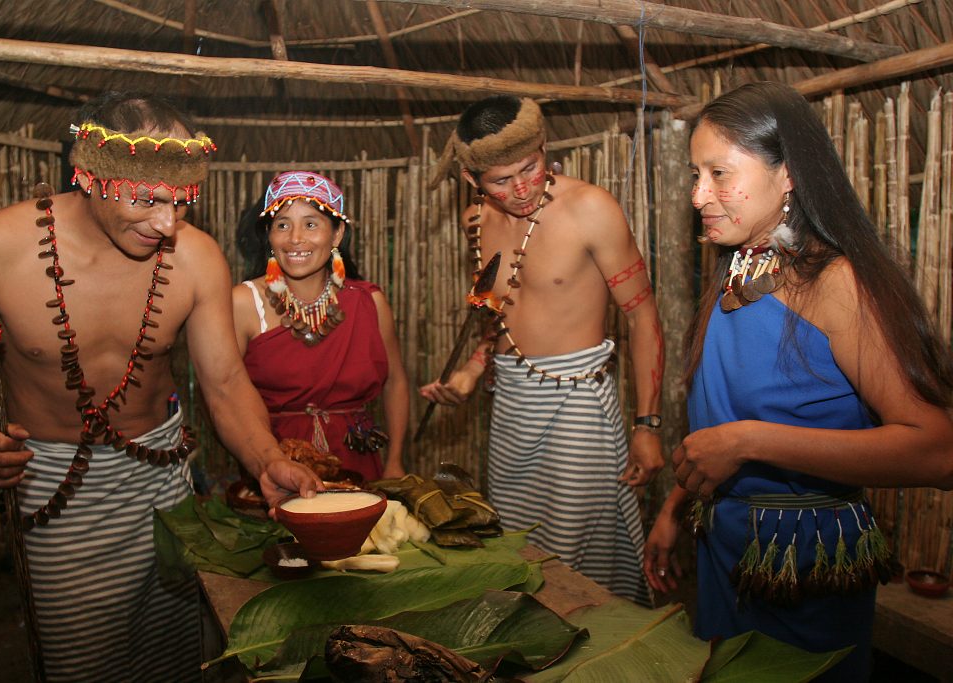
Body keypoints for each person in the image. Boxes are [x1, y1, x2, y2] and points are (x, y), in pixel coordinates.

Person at [0, 93, 322, 682]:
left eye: (181, 202)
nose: (167, 223)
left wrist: (265, 459)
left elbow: (222, 379)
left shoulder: (195, 258)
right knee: (82, 664)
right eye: (148, 200)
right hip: (57, 489)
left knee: (173, 656)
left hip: (164, 480)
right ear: (89, 177)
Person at [643, 81, 953, 681]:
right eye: (695, 173)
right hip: (724, 548)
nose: (697, 194)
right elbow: (720, 427)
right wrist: (677, 508)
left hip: (802, 564)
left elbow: (938, 449)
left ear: (788, 175)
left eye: (719, 173)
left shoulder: (836, 286)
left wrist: (751, 442)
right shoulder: (738, 269)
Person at [419, 96, 665, 605]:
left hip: (576, 403)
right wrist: (471, 370)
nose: (522, 187)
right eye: (501, 180)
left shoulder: (591, 209)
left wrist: (648, 425)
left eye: (530, 168)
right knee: (519, 550)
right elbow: (498, 312)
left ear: (543, 148)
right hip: (511, 407)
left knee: (580, 562)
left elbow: (643, 316)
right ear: (472, 180)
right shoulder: (479, 221)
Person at [232, 171, 410, 482]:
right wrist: (257, 466)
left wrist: (394, 462)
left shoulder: (369, 302)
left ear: (337, 234)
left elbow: (395, 382)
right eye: (282, 225)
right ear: (270, 237)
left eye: (311, 224)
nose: (295, 238)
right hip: (275, 465)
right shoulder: (244, 303)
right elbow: (223, 396)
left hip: (359, 463)